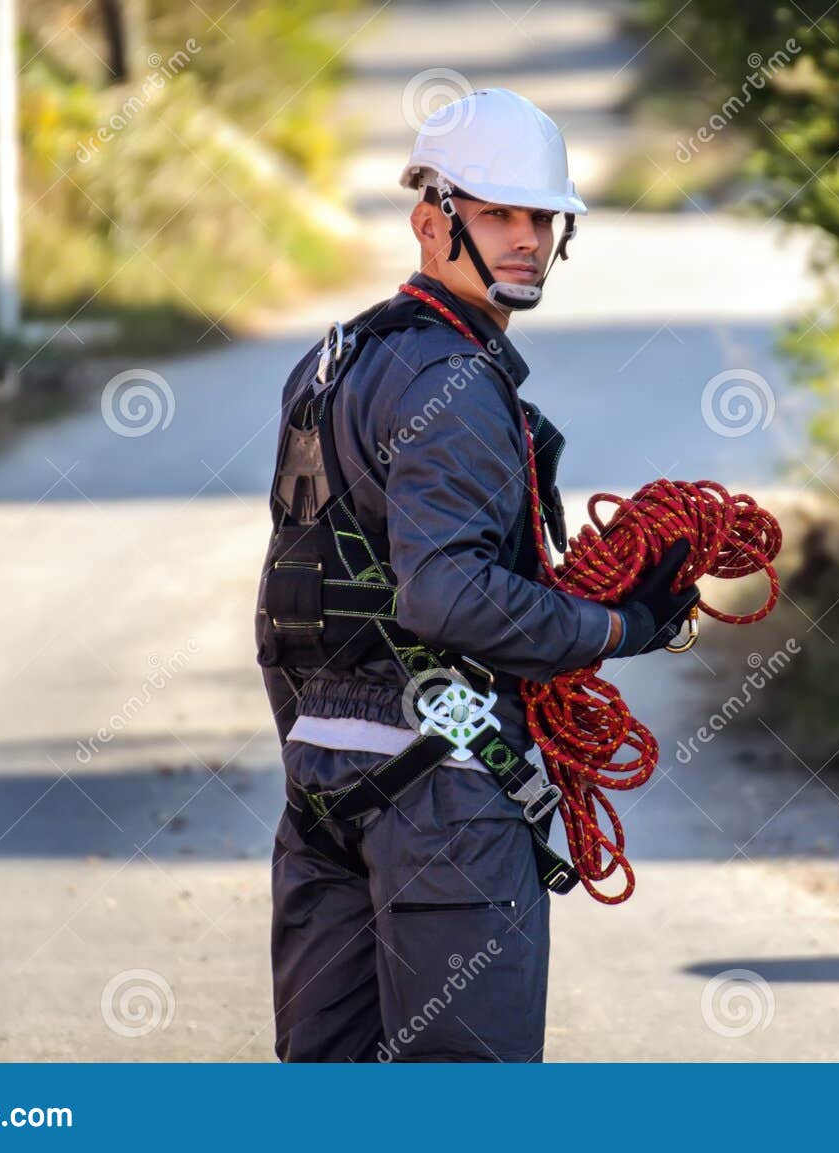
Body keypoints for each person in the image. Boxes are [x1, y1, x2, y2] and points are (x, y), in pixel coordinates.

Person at [255, 87, 699, 1062]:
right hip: (446, 807)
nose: (527, 237)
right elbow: (445, 596)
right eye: (498, 213)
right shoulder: (456, 385)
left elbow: (289, 601)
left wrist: (314, 747)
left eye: (542, 216)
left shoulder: (331, 363)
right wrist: (622, 625)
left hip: (321, 792)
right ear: (430, 220)